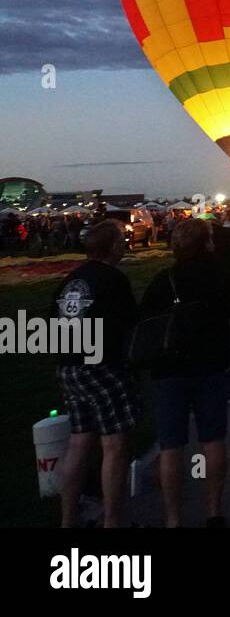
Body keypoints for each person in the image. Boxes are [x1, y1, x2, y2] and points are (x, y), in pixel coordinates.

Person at [139, 219, 230, 527]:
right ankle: (214, 511)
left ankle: (173, 518)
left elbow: (145, 326)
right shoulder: (223, 278)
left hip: (169, 371)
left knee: (171, 446)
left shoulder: (164, 280)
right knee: (213, 440)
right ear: (208, 243)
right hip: (211, 367)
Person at [51, 221, 138, 528]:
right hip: (101, 367)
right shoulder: (113, 280)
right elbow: (130, 324)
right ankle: (112, 521)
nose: (125, 245)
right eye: (122, 241)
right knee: (114, 444)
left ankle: (68, 520)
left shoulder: (71, 280)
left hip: (69, 367)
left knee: (79, 442)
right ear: (113, 246)